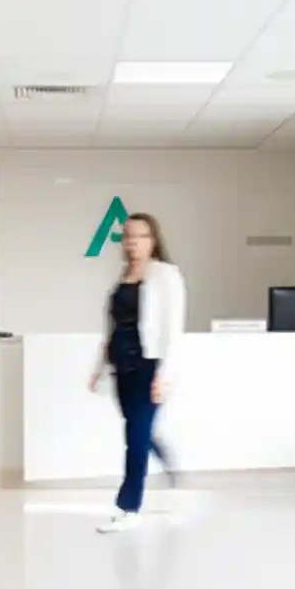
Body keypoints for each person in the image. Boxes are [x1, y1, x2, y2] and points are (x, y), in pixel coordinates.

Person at [89, 213, 187, 534]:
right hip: (122, 366)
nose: (132, 242)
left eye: (140, 236)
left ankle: (128, 507)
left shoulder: (165, 275)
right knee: (137, 430)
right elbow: (113, 328)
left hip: (148, 366)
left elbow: (173, 330)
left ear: (152, 240)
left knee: (134, 437)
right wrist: (100, 368)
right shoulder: (123, 276)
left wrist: (164, 375)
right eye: (127, 236)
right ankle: (164, 456)